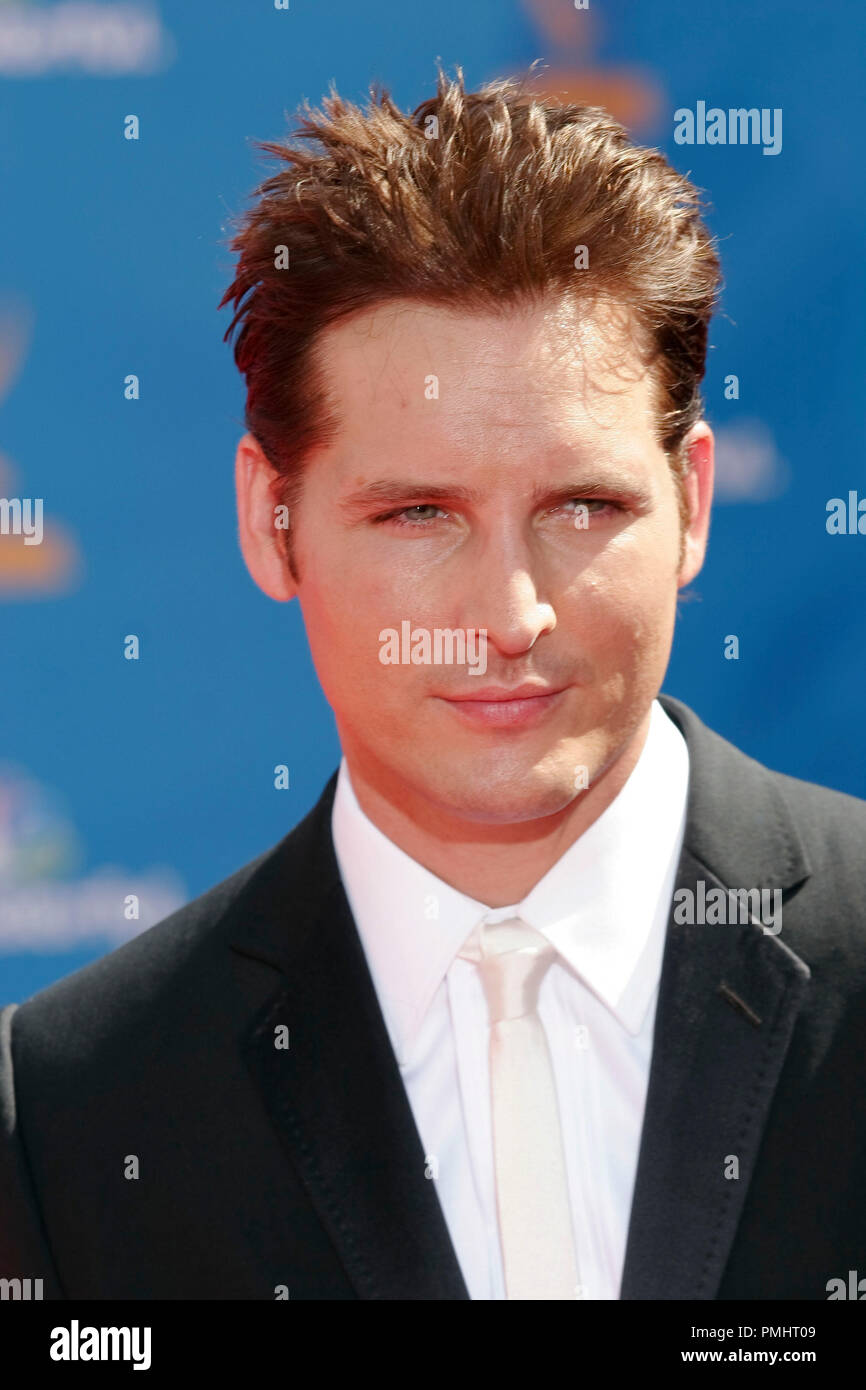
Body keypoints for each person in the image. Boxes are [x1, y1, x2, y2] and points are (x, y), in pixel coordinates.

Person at [1, 69, 864, 1302]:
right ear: (271, 519)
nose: (510, 616)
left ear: (693, 504)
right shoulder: (75, 1112)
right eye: (418, 514)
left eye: (582, 505)